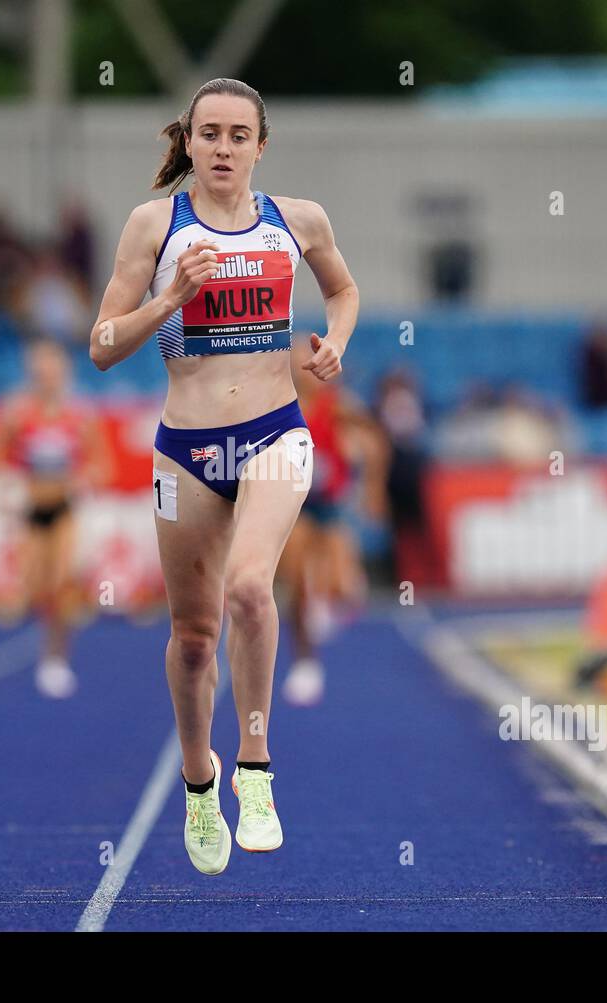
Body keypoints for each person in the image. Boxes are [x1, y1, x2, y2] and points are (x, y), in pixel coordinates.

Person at [88, 78, 358, 875]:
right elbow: (102, 343)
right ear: (190, 141)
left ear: (261, 145)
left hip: (275, 432)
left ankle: (257, 768)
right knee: (195, 635)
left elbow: (343, 290)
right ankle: (200, 781)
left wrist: (335, 340)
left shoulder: (296, 219)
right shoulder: (156, 225)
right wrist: (172, 296)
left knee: (251, 588)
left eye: (240, 135)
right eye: (210, 134)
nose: (223, 149)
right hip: (187, 449)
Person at [0, 338, 111, 697]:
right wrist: (6, 489)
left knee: (60, 581)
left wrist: (81, 480)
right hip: (31, 509)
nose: (47, 378)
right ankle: (46, 649)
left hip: (63, 509)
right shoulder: (17, 413)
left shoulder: (80, 415)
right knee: (35, 585)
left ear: (64, 373)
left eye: (52, 371)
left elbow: (102, 464)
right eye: (40, 372)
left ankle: (56, 658)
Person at [277, 334, 388, 706]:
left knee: (343, 588)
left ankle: (335, 596)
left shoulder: (337, 405)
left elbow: (375, 441)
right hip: (296, 503)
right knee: (295, 580)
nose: (300, 370)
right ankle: (305, 661)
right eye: (294, 364)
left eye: (304, 364)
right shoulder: (277, 406)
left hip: (331, 502)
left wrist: (372, 487)